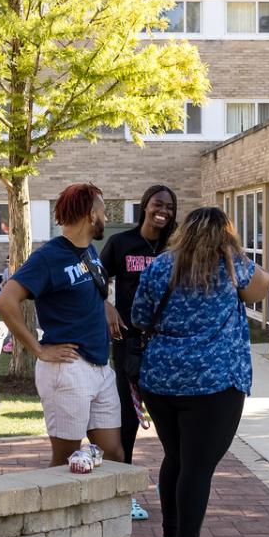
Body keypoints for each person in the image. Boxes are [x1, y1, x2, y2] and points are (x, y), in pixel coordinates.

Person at [131, 206, 269, 537]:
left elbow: (139, 316)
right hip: (215, 382)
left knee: (175, 457)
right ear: (227, 235)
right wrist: (236, 250)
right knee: (198, 466)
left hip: (161, 380)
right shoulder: (231, 266)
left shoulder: (161, 265)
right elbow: (262, 286)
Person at [0, 182, 127, 467]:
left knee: (113, 453)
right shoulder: (48, 257)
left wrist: (105, 305)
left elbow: (79, 288)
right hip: (67, 369)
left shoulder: (89, 251)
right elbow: (5, 301)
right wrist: (39, 350)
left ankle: (105, 509)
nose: (106, 218)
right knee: (66, 458)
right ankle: (56, 509)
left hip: (99, 366)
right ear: (91, 215)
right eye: (104, 211)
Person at [101, 184, 177, 465]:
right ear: (145, 205)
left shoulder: (176, 246)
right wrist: (105, 305)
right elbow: (94, 279)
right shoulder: (121, 243)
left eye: (169, 207)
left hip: (168, 341)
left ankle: (173, 488)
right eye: (158, 204)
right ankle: (123, 487)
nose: (163, 212)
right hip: (128, 340)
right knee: (128, 416)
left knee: (170, 414)